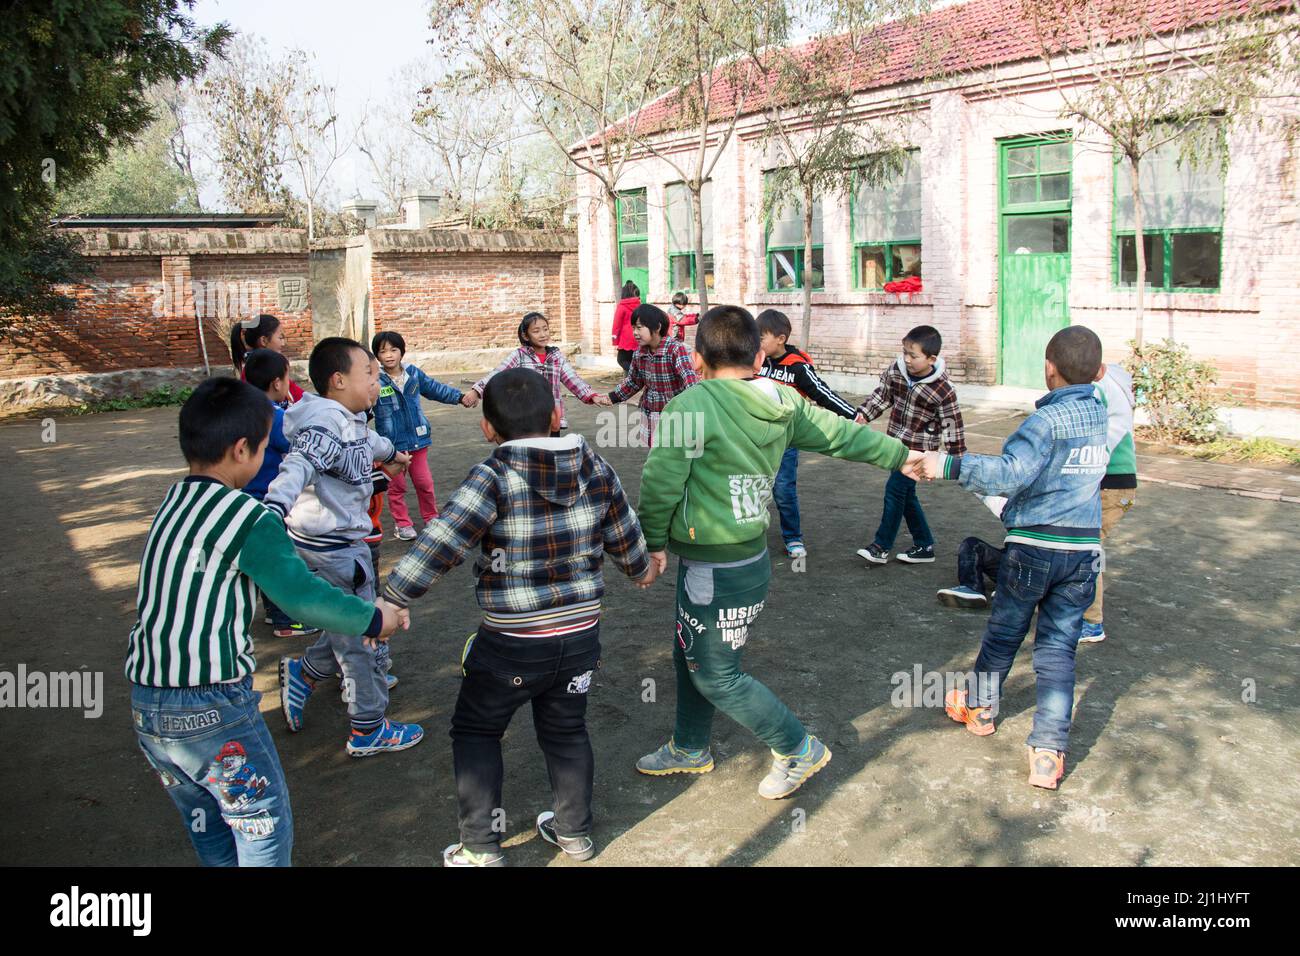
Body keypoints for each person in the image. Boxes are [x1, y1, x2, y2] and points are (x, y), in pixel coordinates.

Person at [633, 305, 923, 799]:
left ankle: (798, 747)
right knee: (692, 655)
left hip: (715, 567)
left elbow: (660, 484)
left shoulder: (690, 406)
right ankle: (689, 746)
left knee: (718, 675)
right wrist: (902, 455)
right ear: (755, 352)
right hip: (744, 560)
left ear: (699, 356)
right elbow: (842, 435)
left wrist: (652, 544)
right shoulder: (784, 401)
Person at [126, 377, 407, 866]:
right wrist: (370, 616)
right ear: (241, 450)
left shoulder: (173, 503)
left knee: (211, 825)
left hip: (148, 707)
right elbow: (300, 596)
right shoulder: (245, 517)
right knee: (262, 826)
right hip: (211, 704)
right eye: (264, 450)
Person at [382, 368, 655, 867]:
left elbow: (444, 539)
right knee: (567, 730)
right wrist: (639, 567)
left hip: (511, 641)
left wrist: (396, 595)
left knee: (477, 731)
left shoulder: (493, 475)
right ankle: (574, 834)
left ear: (487, 429)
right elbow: (624, 531)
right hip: (579, 637)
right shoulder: (595, 466)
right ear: (556, 416)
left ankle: (481, 847)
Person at [921, 325, 1109, 791]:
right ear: (1099, 372)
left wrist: (947, 464)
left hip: (1034, 548)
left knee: (1004, 636)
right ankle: (1048, 752)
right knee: (1058, 652)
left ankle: (982, 710)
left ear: (1049, 369)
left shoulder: (1046, 422)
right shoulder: (1100, 416)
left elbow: (1011, 473)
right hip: (1083, 551)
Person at [266, 338, 423, 757]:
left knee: (348, 618)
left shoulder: (349, 419)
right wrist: (274, 507)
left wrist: (394, 454)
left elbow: (369, 443)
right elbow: (299, 464)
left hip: (337, 542)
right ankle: (368, 726)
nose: (376, 381)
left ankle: (306, 671)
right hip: (334, 545)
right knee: (360, 632)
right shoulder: (324, 424)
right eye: (369, 374)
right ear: (338, 380)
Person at [854, 324, 966, 566]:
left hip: (920, 452)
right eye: (905, 352)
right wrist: (863, 414)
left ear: (931, 359)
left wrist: (957, 458)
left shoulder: (943, 389)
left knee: (895, 491)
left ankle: (881, 547)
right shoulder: (897, 371)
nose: (907, 359)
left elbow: (951, 423)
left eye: (913, 356)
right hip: (897, 446)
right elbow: (882, 395)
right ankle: (924, 545)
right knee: (906, 496)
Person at [755, 308, 858, 558]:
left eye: (762, 337)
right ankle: (750, 533)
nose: (757, 342)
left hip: (786, 439)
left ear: (780, 339)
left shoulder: (797, 366)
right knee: (751, 485)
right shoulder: (754, 360)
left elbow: (822, 393)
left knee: (783, 489)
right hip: (756, 438)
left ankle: (793, 538)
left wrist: (853, 415)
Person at [240, 348, 318, 639]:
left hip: (243, 495)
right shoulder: (273, 416)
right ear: (276, 383)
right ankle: (287, 619)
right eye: (288, 377)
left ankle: (275, 613)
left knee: (263, 557)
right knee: (280, 559)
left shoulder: (244, 408)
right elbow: (294, 444)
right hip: (265, 498)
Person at [371, 330, 475, 541]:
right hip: (392, 446)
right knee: (396, 486)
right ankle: (403, 523)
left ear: (402, 352)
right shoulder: (375, 381)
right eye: (383, 351)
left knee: (424, 483)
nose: (389, 355)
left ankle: (431, 518)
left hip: (418, 441)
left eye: (394, 350)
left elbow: (435, 389)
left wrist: (459, 397)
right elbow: (362, 404)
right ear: (377, 356)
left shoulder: (413, 374)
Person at [466, 312, 610, 433]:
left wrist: (592, 395)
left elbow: (573, 380)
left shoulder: (557, 356)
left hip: (551, 419)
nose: (542, 334)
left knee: (549, 459)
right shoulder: (519, 356)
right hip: (524, 418)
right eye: (536, 331)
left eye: (545, 329)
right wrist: (477, 391)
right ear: (526, 336)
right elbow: (496, 374)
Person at [1081, 359, 1139, 644]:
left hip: (1111, 484)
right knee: (1088, 547)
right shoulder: (1114, 377)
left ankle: (1091, 621)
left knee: (1088, 549)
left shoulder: (1096, 391)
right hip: (1118, 484)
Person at [606, 303, 700, 448]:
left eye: (639, 327)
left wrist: (694, 405)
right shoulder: (639, 353)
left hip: (674, 414)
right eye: (633, 328)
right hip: (650, 413)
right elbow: (633, 382)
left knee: (674, 456)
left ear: (657, 327)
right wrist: (611, 397)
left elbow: (689, 378)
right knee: (654, 456)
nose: (635, 333)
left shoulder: (675, 349)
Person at [230, 313, 304, 403]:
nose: (283, 343)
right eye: (280, 337)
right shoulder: (271, 367)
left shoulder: (250, 367)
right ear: (264, 340)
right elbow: (296, 395)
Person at [611, 281, 642, 372]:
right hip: (638, 337)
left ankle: (636, 375)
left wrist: (615, 341)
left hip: (626, 340)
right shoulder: (640, 305)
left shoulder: (622, 306)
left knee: (621, 360)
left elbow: (616, 325)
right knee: (634, 361)